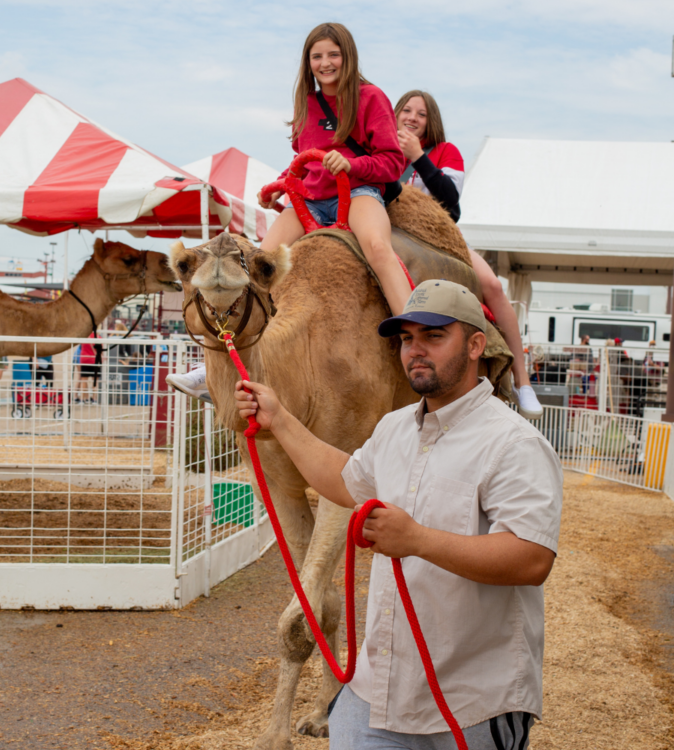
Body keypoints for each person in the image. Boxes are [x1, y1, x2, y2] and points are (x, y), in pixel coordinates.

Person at [234, 279, 562, 749]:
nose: (415, 350)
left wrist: (417, 540)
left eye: (433, 336)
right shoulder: (394, 428)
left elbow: (531, 560)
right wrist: (281, 419)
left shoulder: (515, 444)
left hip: (470, 704)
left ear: (474, 346)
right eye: (407, 338)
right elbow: (346, 480)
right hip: (374, 694)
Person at [167, 22, 407, 403]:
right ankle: (216, 362)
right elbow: (302, 161)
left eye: (333, 54)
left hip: (358, 190)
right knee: (256, 265)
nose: (325, 63)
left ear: (347, 56)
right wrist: (278, 185)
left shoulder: (371, 97)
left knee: (378, 247)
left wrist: (351, 166)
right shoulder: (307, 104)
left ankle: (416, 341)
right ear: (308, 62)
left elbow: (392, 162)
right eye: (317, 56)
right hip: (310, 199)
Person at [394, 89, 543, 420]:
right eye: (406, 110)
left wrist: (419, 156)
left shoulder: (446, 151)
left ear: (431, 122)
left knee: (493, 285)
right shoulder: (382, 150)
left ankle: (522, 380)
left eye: (421, 113)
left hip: (438, 235)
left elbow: (451, 204)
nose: (413, 118)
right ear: (394, 115)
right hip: (389, 233)